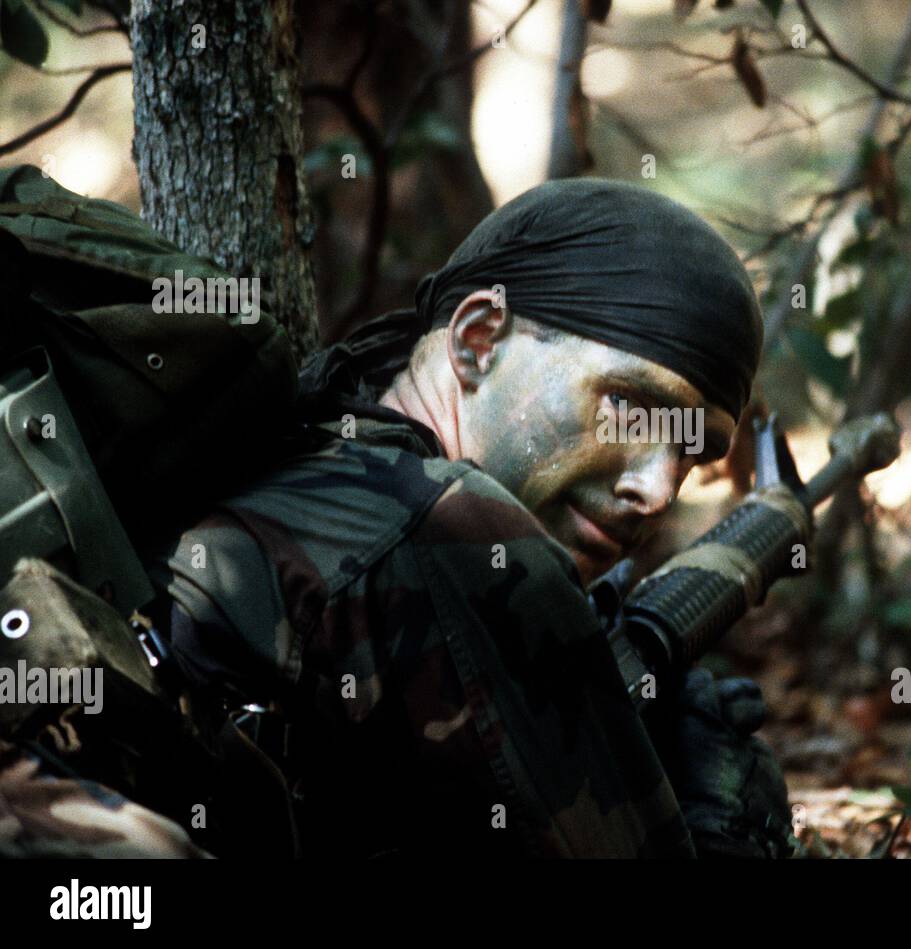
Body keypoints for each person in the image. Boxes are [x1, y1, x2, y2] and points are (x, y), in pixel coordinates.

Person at [151, 177, 798, 858]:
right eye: (632, 409)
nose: (659, 489)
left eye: (694, 451)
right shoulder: (448, 527)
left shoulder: (314, 452)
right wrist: (726, 832)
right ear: (478, 341)